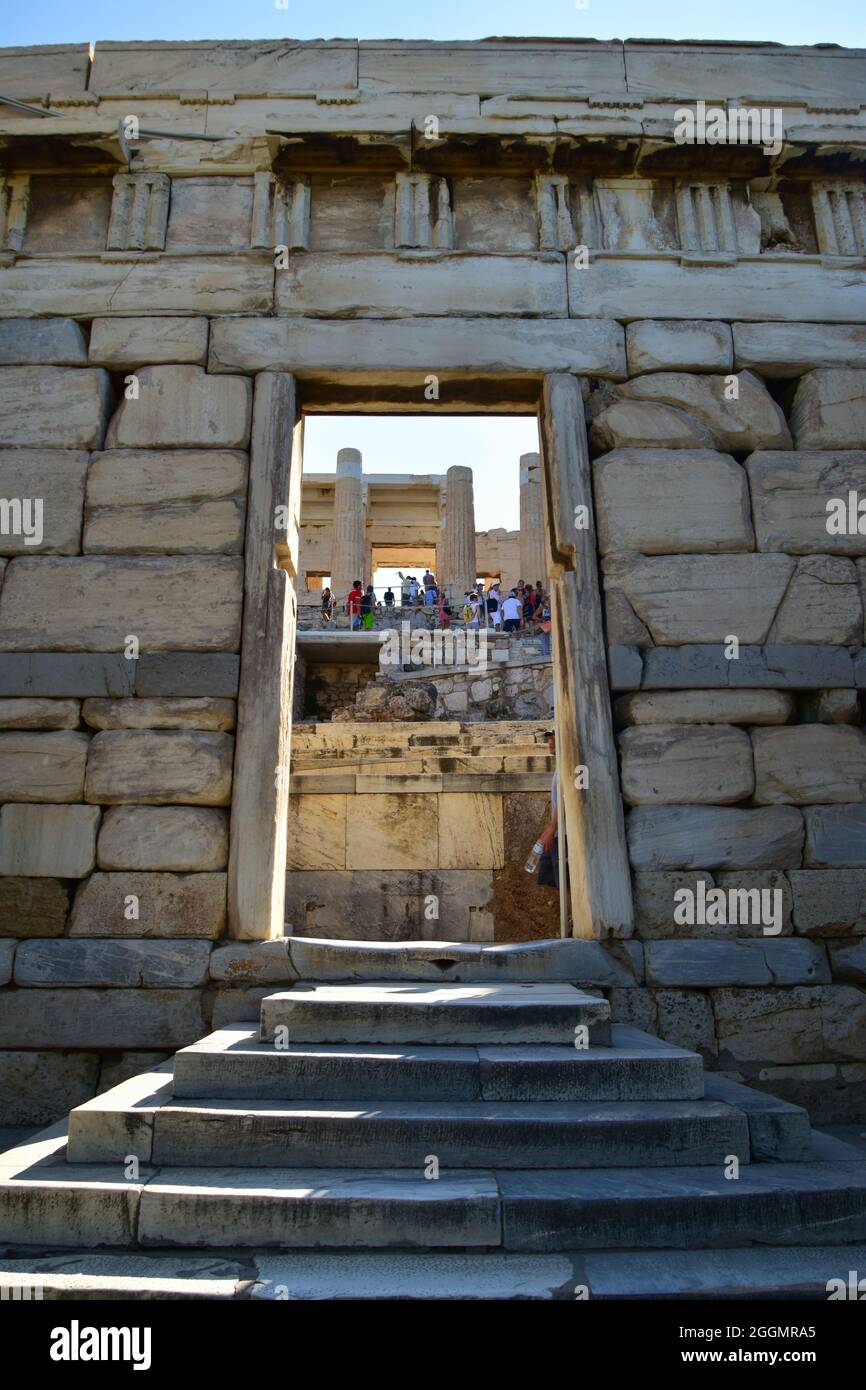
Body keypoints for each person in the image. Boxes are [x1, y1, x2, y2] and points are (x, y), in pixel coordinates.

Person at [537, 729, 559, 888]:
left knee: (568, 883)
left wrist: (552, 828)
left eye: (554, 738)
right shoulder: (560, 767)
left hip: (563, 834)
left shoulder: (569, 766)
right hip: (557, 833)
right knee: (555, 882)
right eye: (549, 739)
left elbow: (566, 800)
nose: (550, 743)